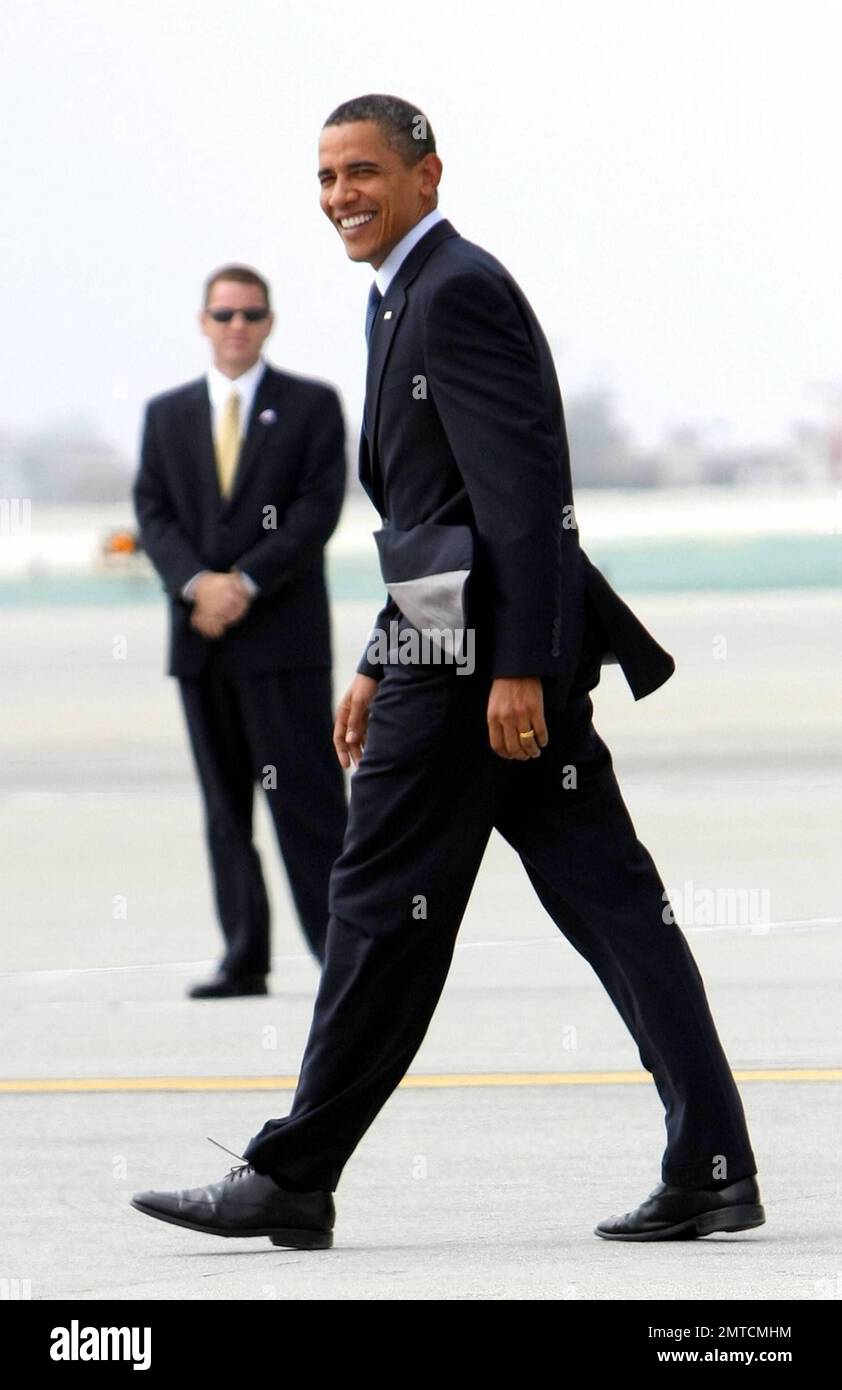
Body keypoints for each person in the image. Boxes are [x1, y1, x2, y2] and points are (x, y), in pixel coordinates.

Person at [132, 99, 764, 1244]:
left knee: (377, 907)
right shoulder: (404, 297)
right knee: (618, 909)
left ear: (427, 175)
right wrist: (380, 655)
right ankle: (712, 1163)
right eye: (324, 176)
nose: (339, 195)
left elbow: (520, 498)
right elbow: (439, 513)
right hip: (454, 652)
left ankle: (293, 1171)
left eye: (362, 171)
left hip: (475, 670)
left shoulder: (453, 289)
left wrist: (513, 670)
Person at [133, 264, 347, 998]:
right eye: (224, 315)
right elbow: (153, 514)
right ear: (203, 322)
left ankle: (341, 959)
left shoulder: (311, 407)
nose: (237, 327)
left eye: (251, 315)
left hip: (283, 645)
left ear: (270, 323)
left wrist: (244, 583)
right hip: (201, 643)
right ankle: (244, 956)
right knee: (226, 810)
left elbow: (317, 512)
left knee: (309, 806)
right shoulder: (167, 416)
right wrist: (198, 585)